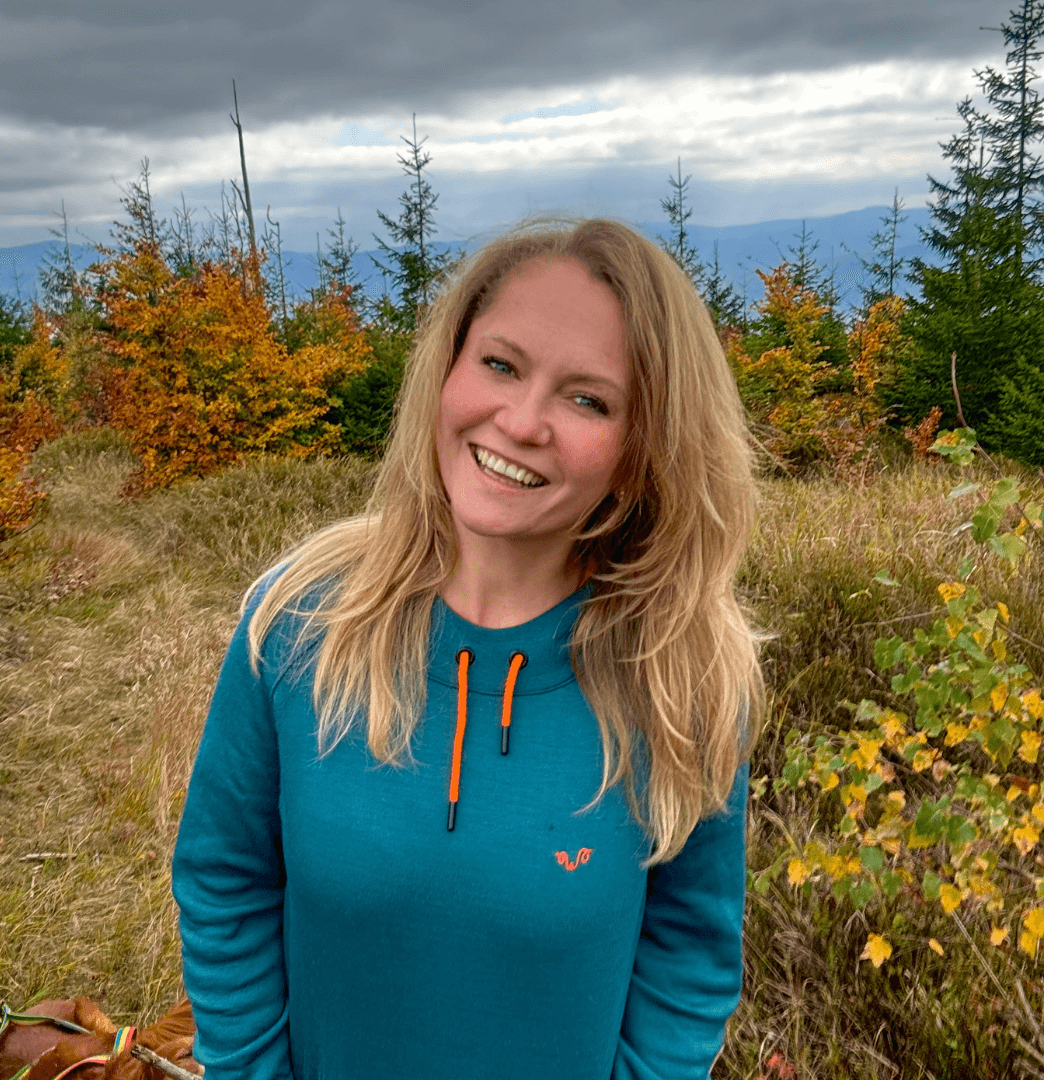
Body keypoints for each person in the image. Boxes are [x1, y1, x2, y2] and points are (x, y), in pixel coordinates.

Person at [172, 218, 764, 1080]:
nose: (521, 421)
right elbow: (225, 885)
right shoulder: (298, 623)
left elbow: (689, 953)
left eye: (587, 399)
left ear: (642, 454)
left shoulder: (685, 678)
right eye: (500, 364)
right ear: (446, 369)